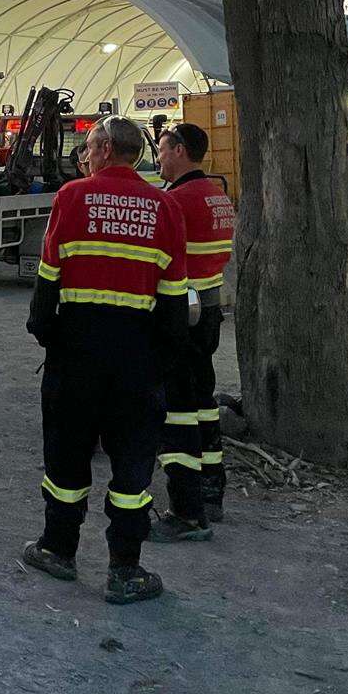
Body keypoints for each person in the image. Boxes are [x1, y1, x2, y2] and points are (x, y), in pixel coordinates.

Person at [22, 115, 188, 604]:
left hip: (76, 350)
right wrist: (164, 357)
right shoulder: (164, 206)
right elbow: (174, 293)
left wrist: (45, 332)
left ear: (107, 150)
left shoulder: (72, 197)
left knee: (67, 455)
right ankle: (125, 569)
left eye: (89, 148)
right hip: (137, 354)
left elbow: (48, 275)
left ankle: (58, 549)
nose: (85, 156)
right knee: (133, 465)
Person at [151, 122, 236, 532]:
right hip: (210, 310)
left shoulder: (178, 201)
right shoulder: (216, 196)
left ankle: (186, 506)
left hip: (183, 313)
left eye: (164, 150)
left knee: (179, 408)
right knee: (203, 399)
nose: (159, 158)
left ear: (181, 151)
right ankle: (212, 488)